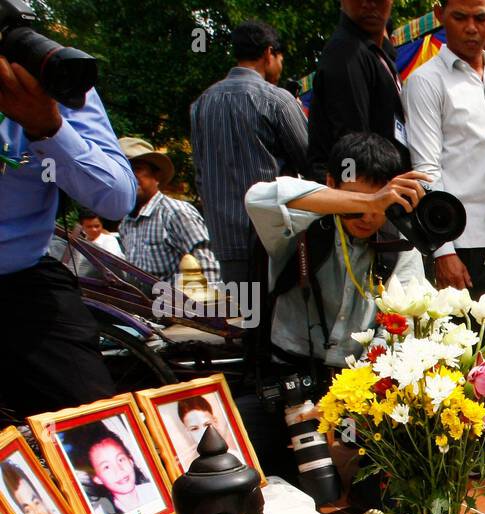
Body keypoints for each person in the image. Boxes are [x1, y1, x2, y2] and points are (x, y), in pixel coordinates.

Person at [0, 58, 134, 421]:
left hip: (21, 286)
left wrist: (48, 127)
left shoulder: (48, 73)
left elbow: (116, 199)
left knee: (95, 432)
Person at [244, 132, 428, 374]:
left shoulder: (400, 241)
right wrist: (370, 201)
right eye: (357, 199)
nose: (368, 216)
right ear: (331, 183)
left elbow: (401, 322)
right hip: (291, 365)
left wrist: (356, 388)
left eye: (380, 204)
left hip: (361, 374)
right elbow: (256, 198)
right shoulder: (303, 222)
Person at [403, 0, 485, 306]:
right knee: (463, 349)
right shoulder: (425, 81)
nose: (471, 28)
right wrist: (443, 250)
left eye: (480, 18)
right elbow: (426, 168)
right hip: (462, 245)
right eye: (459, 17)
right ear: (439, 15)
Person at [190, 21, 310, 289]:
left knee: (250, 319)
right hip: (276, 238)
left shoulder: (201, 104)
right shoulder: (276, 99)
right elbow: (309, 161)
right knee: (281, 321)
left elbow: (200, 173)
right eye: (280, 58)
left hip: (226, 240)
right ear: (269, 53)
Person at [307, 0, 409, 182]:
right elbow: (350, 144)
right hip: (365, 197)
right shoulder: (346, 54)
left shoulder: (375, 53)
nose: (369, 4)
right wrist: (356, 200)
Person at [117, 137, 221, 285]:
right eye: (124, 171)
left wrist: (202, 305)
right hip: (142, 305)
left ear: (156, 176)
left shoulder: (174, 213)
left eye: (137, 169)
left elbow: (207, 267)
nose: (130, 177)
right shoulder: (125, 224)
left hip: (177, 305)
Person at [66, 421, 161, 514]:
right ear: (97, 478)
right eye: (107, 467)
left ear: (130, 460)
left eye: (120, 459)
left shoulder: (156, 492)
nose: (119, 470)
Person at [176, 395, 239, 471]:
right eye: (194, 429)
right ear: (187, 432)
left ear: (215, 421)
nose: (203, 433)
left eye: (207, 424)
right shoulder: (186, 468)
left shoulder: (238, 458)